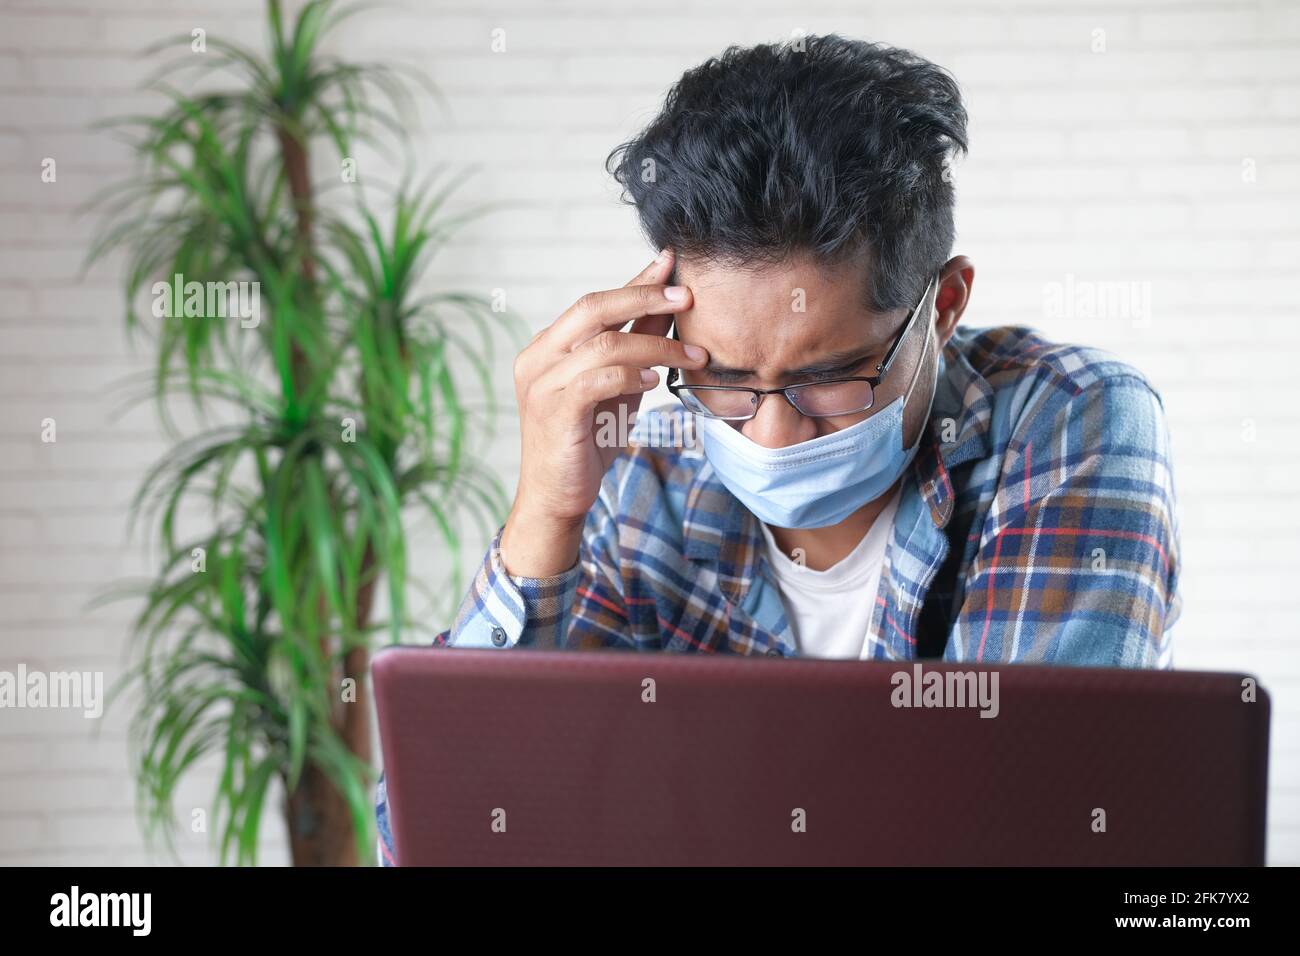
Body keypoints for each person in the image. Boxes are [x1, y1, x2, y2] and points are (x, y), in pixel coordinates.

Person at [375, 35, 1181, 865]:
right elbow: (431, 841)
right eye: (721, 379)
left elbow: (1037, 827)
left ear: (941, 307)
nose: (769, 434)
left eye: (828, 378)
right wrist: (544, 515)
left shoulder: (1068, 423)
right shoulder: (645, 478)